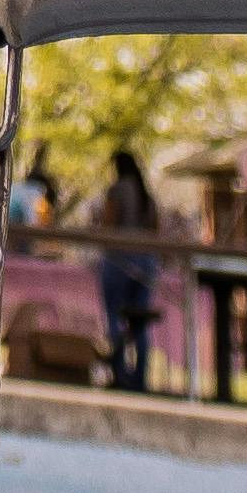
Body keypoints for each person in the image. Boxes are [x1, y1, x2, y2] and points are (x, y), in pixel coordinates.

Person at [92, 147, 162, 395]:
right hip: (146, 260)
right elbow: (156, 229)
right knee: (139, 321)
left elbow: (109, 224)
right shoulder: (146, 195)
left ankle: (120, 373)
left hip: (120, 259)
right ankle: (139, 376)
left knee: (115, 316)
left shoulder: (117, 190)